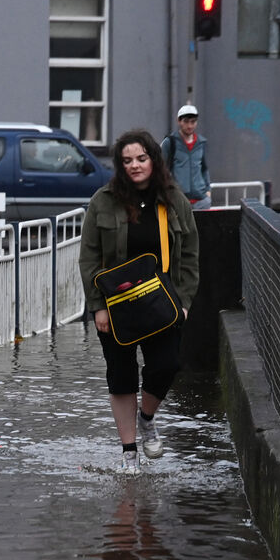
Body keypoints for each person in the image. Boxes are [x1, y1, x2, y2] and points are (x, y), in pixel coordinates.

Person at [79, 129, 200, 469]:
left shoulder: (174, 199)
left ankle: (147, 419)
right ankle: (129, 453)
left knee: (166, 366)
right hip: (116, 307)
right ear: (120, 165)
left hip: (163, 302)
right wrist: (97, 306)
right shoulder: (104, 200)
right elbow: (88, 257)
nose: (135, 166)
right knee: (121, 376)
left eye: (141, 159)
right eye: (127, 160)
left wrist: (185, 301)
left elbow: (189, 252)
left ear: (153, 160)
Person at [161, 104, 211, 210]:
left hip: (201, 200)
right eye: (186, 121)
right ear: (179, 121)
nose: (189, 126)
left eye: (193, 122)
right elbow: (161, 169)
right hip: (178, 200)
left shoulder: (201, 143)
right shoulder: (170, 142)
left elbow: (204, 168)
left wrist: (208, 190)